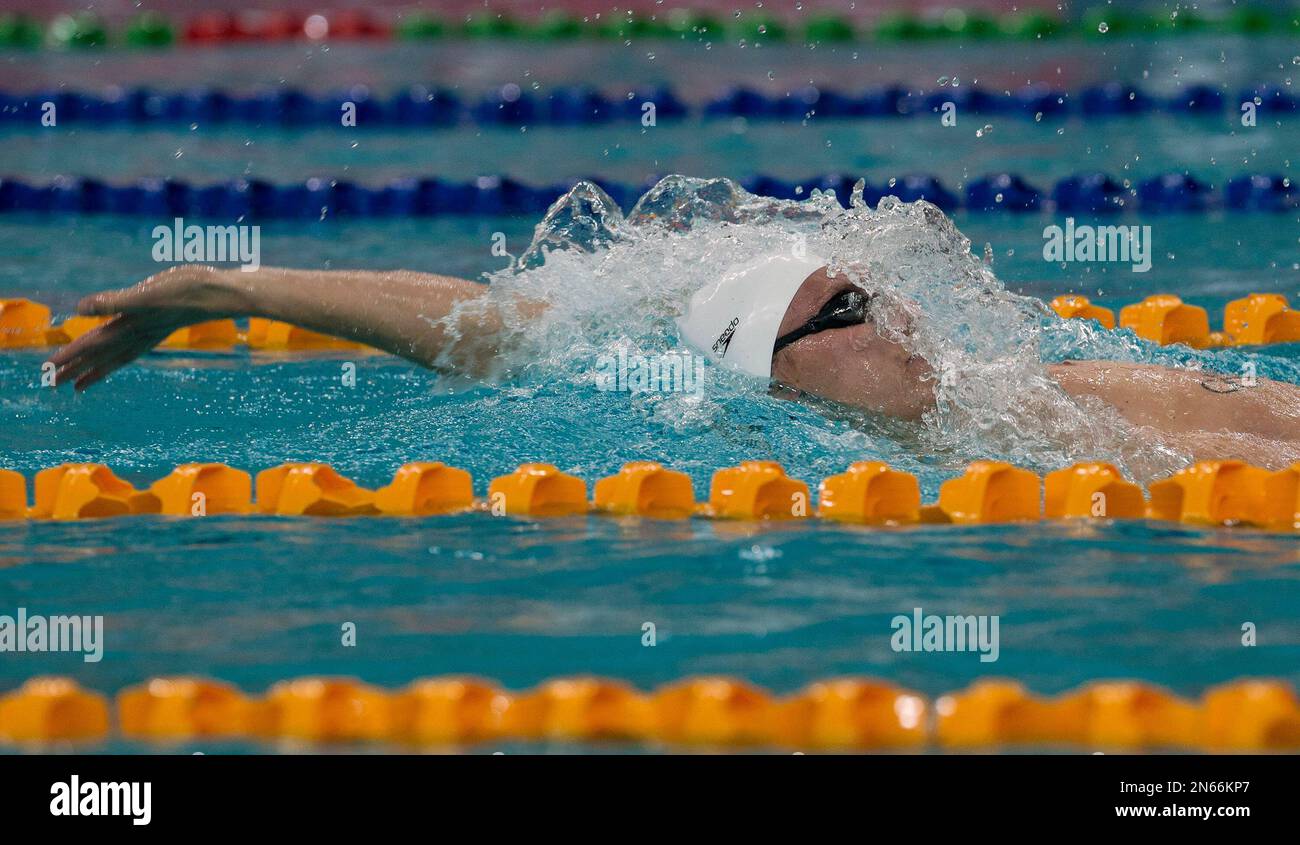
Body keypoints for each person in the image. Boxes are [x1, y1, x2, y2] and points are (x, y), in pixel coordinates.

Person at [48, 256, 1300, 467]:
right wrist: (219, 291)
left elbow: (512, 317)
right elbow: (497, 344)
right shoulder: (997, 467)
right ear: (783, 376)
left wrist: (236, 288)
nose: (902, 310)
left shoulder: (1017, 399)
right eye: (853, 305)